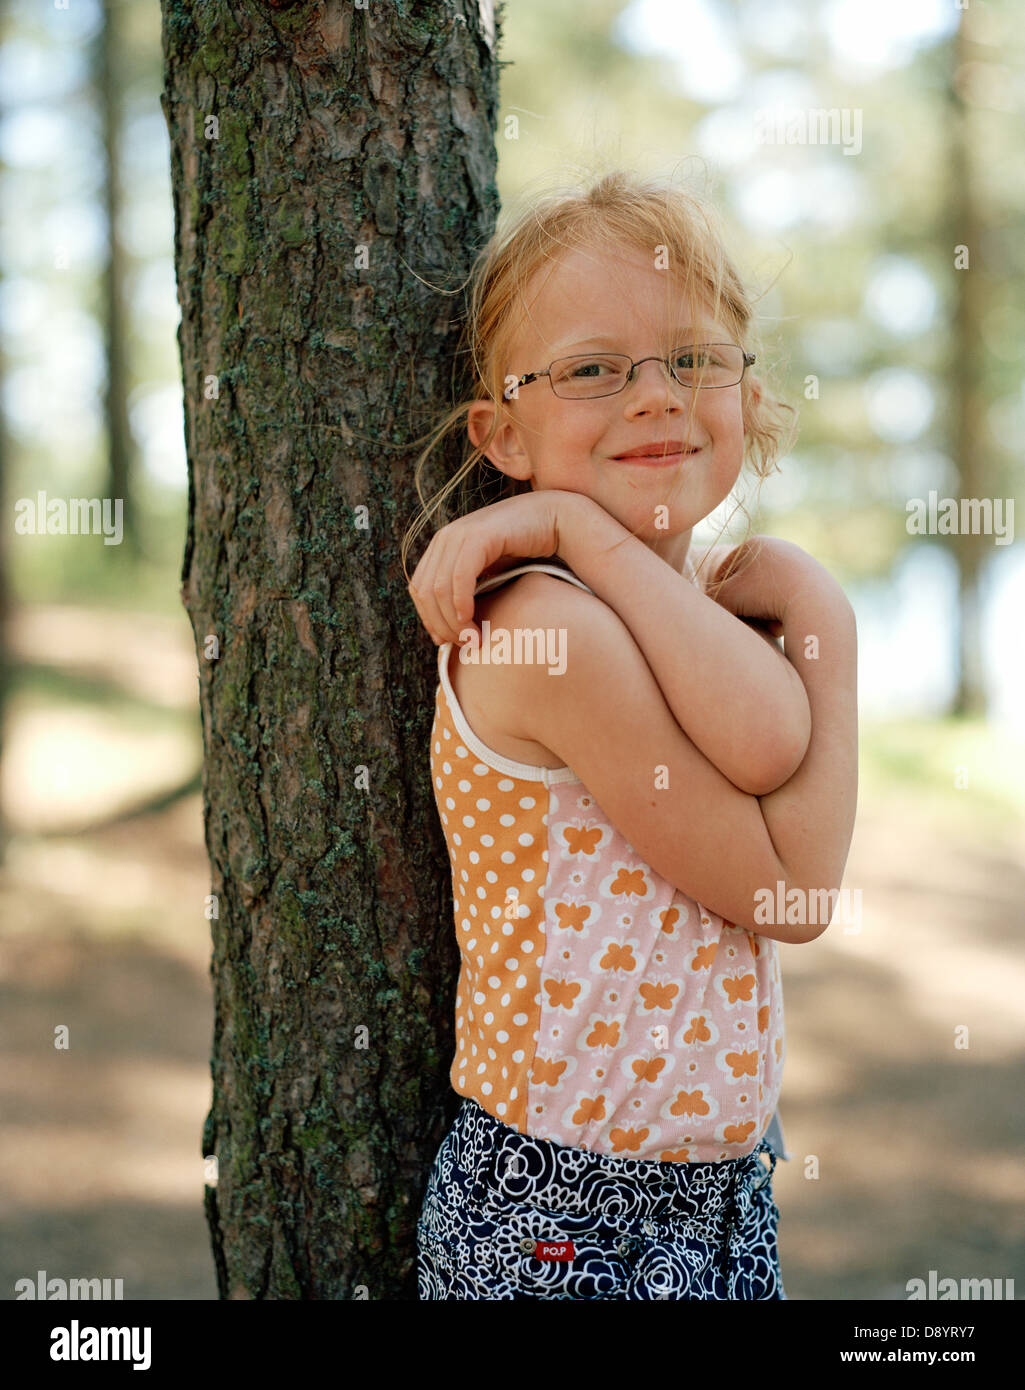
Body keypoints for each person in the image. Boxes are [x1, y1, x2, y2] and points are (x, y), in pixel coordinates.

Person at [402, 168, 858, 1299]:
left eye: (691, 360)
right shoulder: (546, 630)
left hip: (714, 1199)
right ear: (502, 435)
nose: (653, 396)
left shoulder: (700, 606)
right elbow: (787, 887)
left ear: (744, 396)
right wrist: (823, 624)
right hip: (560, 1220)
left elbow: (759, 739)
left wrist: (797, 595)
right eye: (593, 370)